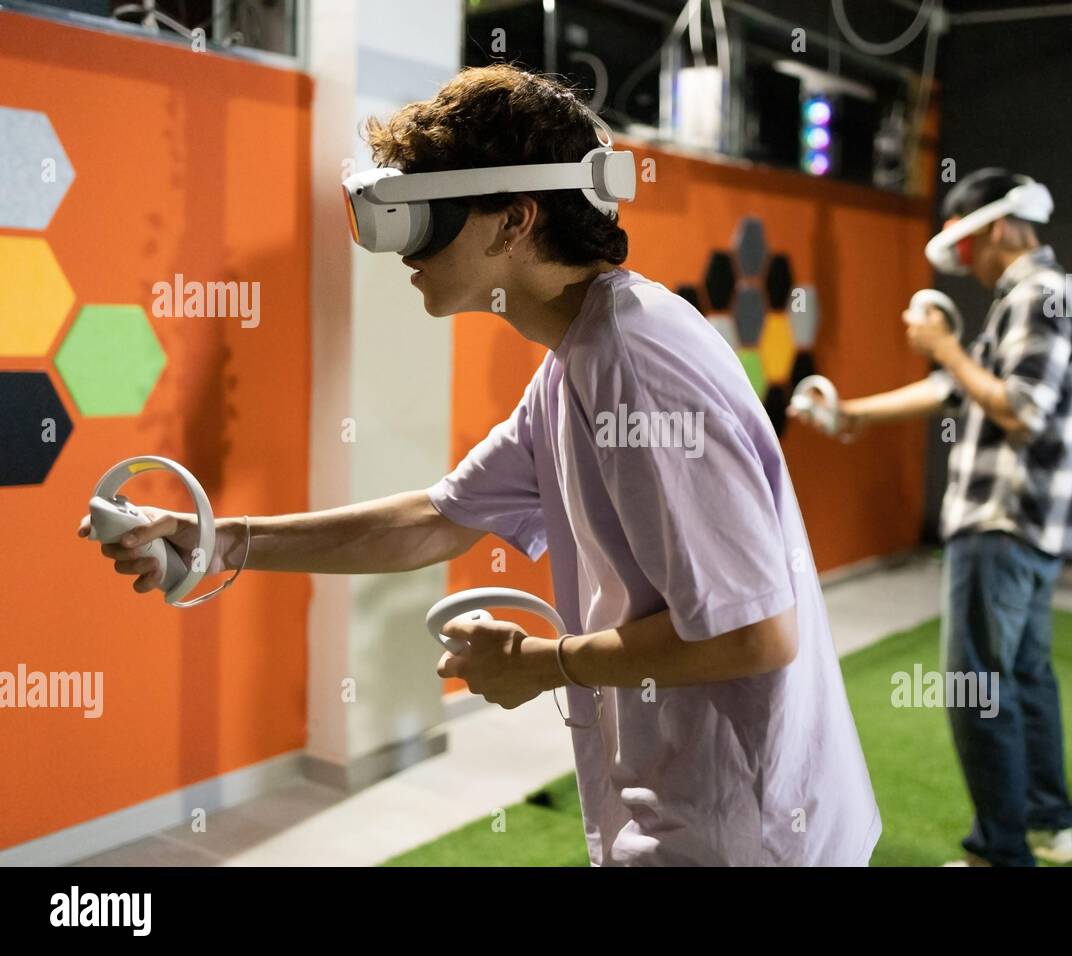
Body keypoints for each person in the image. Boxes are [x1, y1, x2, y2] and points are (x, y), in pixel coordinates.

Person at [79, 64, 881, 867]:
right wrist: (219, 540)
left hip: (745, 833)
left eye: (426, 219)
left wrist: (542, 664)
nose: (405, 251)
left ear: (513, 222)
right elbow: (435, 519)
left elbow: (751, 635)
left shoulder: (632, 361)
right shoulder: (581, 358)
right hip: (697, 813)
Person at [792, 168, 1072, 867]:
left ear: (997, 228)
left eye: (967, 246)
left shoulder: (1037, 297)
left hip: (1000, 522)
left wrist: (945, 346)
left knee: (977, 688)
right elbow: (957, 391)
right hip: (1031, 527)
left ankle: (999, 851)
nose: (967, 263)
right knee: (1025, 679)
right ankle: (1051, 827)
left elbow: (1019, 410)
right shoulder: (1036, 296)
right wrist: (854, 414)